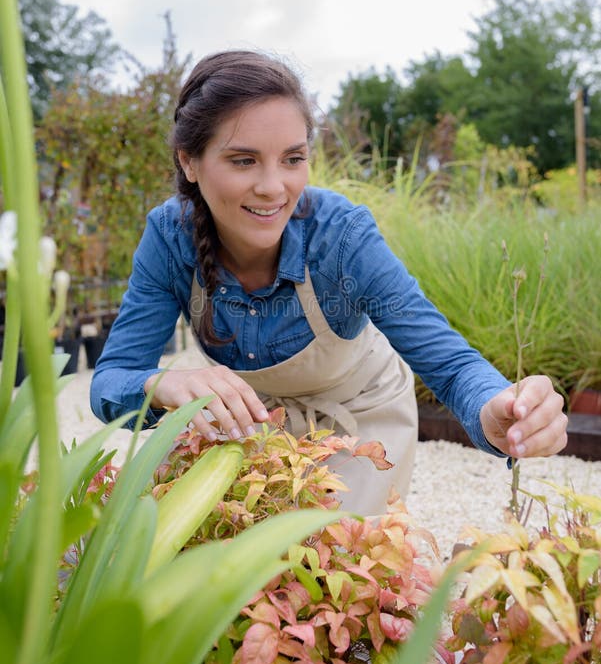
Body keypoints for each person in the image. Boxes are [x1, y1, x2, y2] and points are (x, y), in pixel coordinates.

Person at [90, 50, 568, 515]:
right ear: (190, 162)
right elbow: (110, 382)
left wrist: (496, 410)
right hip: (244, 424)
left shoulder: (342, 237)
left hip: (359, 419)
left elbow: (450, 364)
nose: (273, 187)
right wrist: (163, 383)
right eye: (243, 160)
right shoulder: (170, 237)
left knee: (334, 573)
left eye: (293, 158)